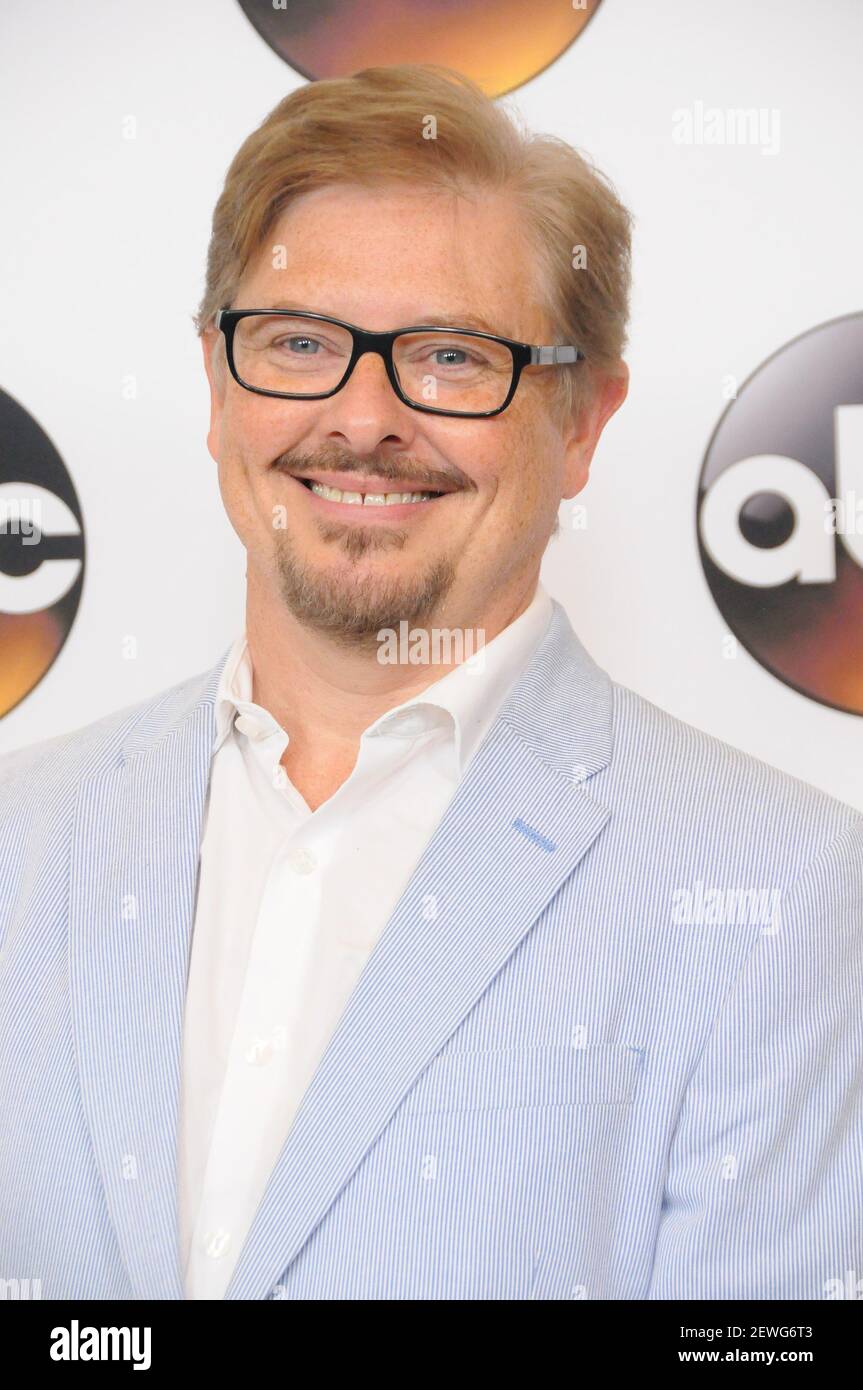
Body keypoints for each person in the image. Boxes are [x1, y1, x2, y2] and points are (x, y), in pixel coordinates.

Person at [1, 64, 860, 1302]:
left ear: (581, 421)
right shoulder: (23, 836)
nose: (362, 419)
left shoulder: (773, 893)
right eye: (299, 343)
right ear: (216, 385)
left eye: (451, 357)